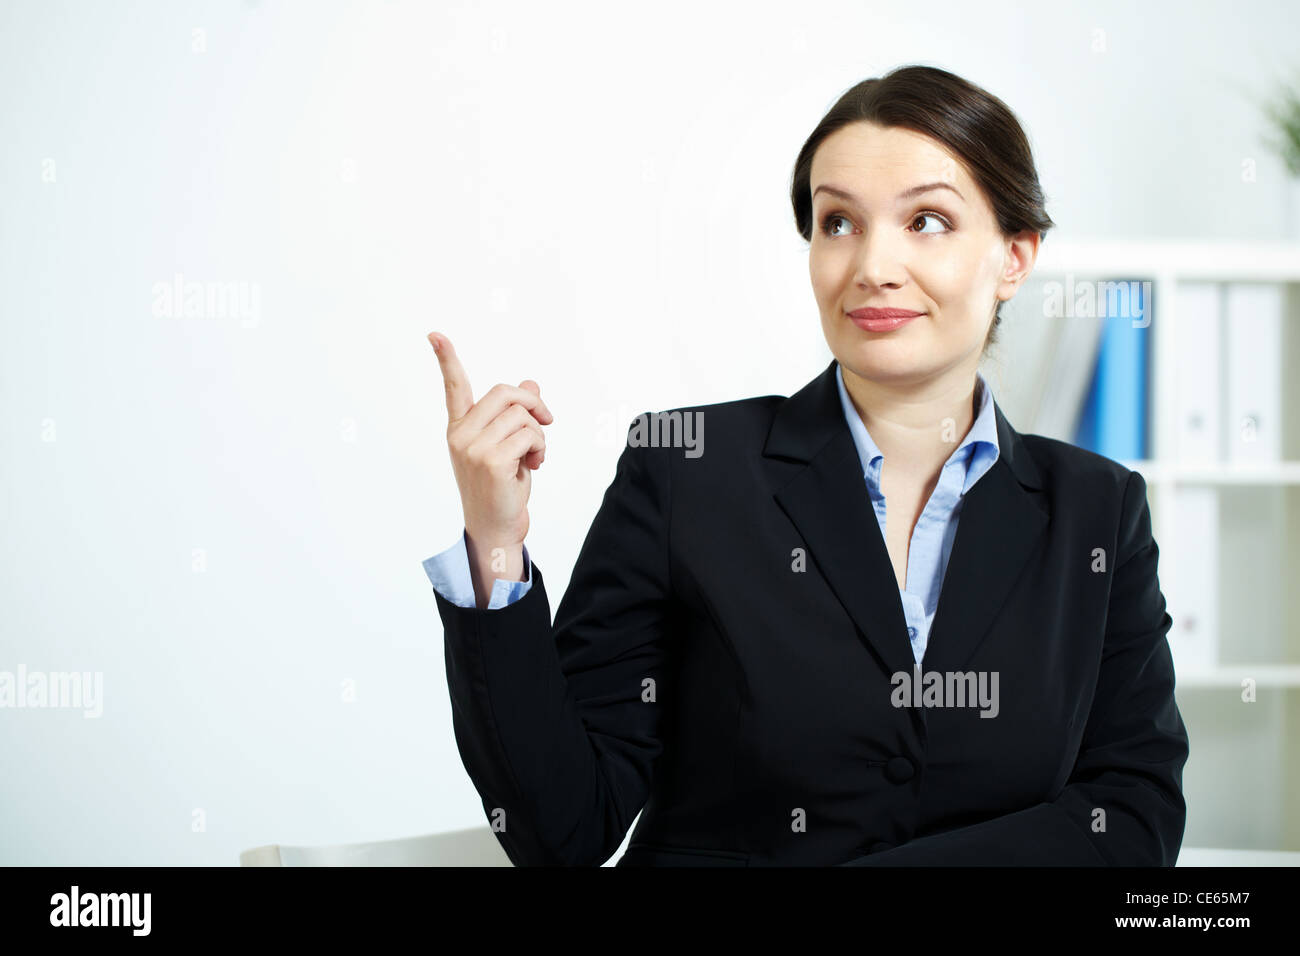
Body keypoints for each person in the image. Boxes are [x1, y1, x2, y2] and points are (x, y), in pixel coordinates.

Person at [422, 64, 1189, 867]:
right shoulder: (686, 472)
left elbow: (1131, 813)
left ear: (1016, 256)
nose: (872, 267)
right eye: (838, 223)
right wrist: (496, 546)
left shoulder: (1098, 512)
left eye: (927, 220)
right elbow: (561, 832)